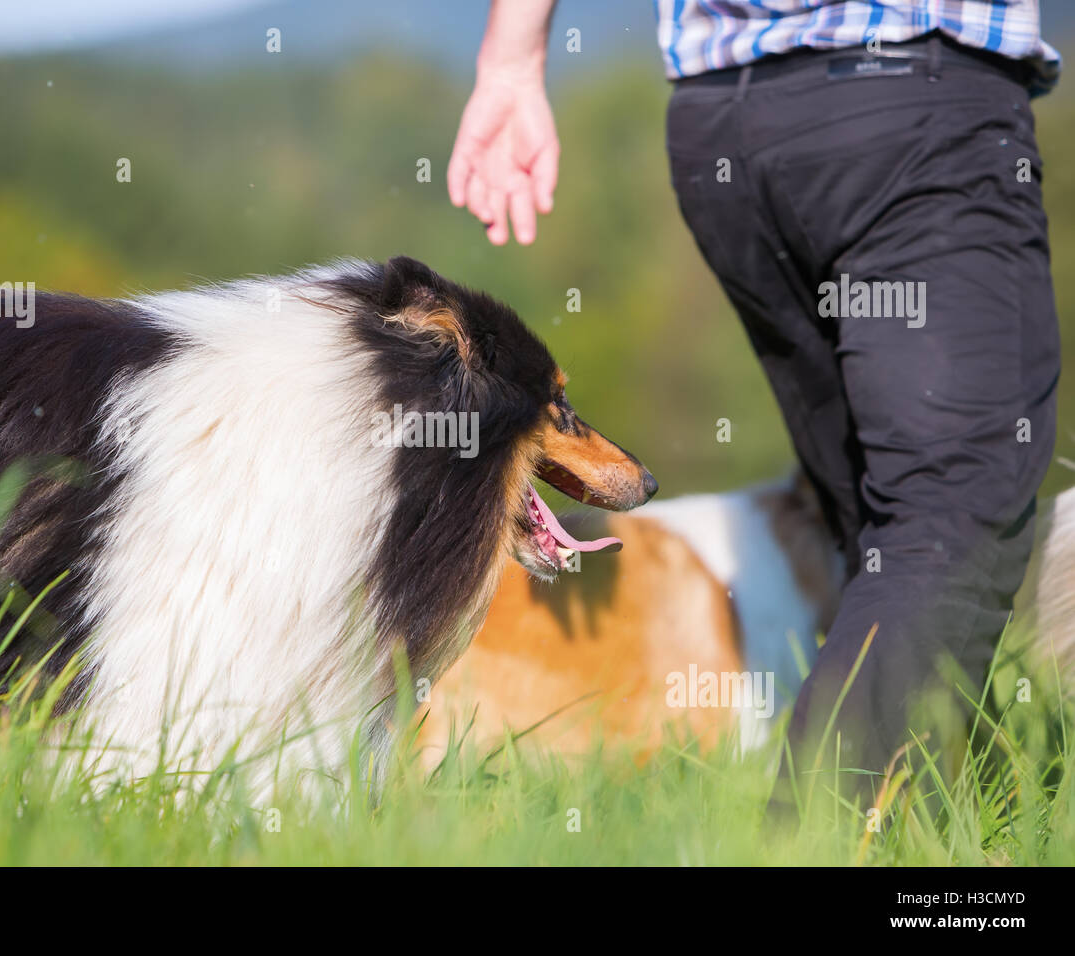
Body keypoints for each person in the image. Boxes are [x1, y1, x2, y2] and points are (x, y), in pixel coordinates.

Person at [449, 0, 1062, 809]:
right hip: (912, 105)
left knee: (878, 523)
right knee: (947, 514)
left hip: (731, 129)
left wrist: (513, 58)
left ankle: (954, 829)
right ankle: (814, 840)